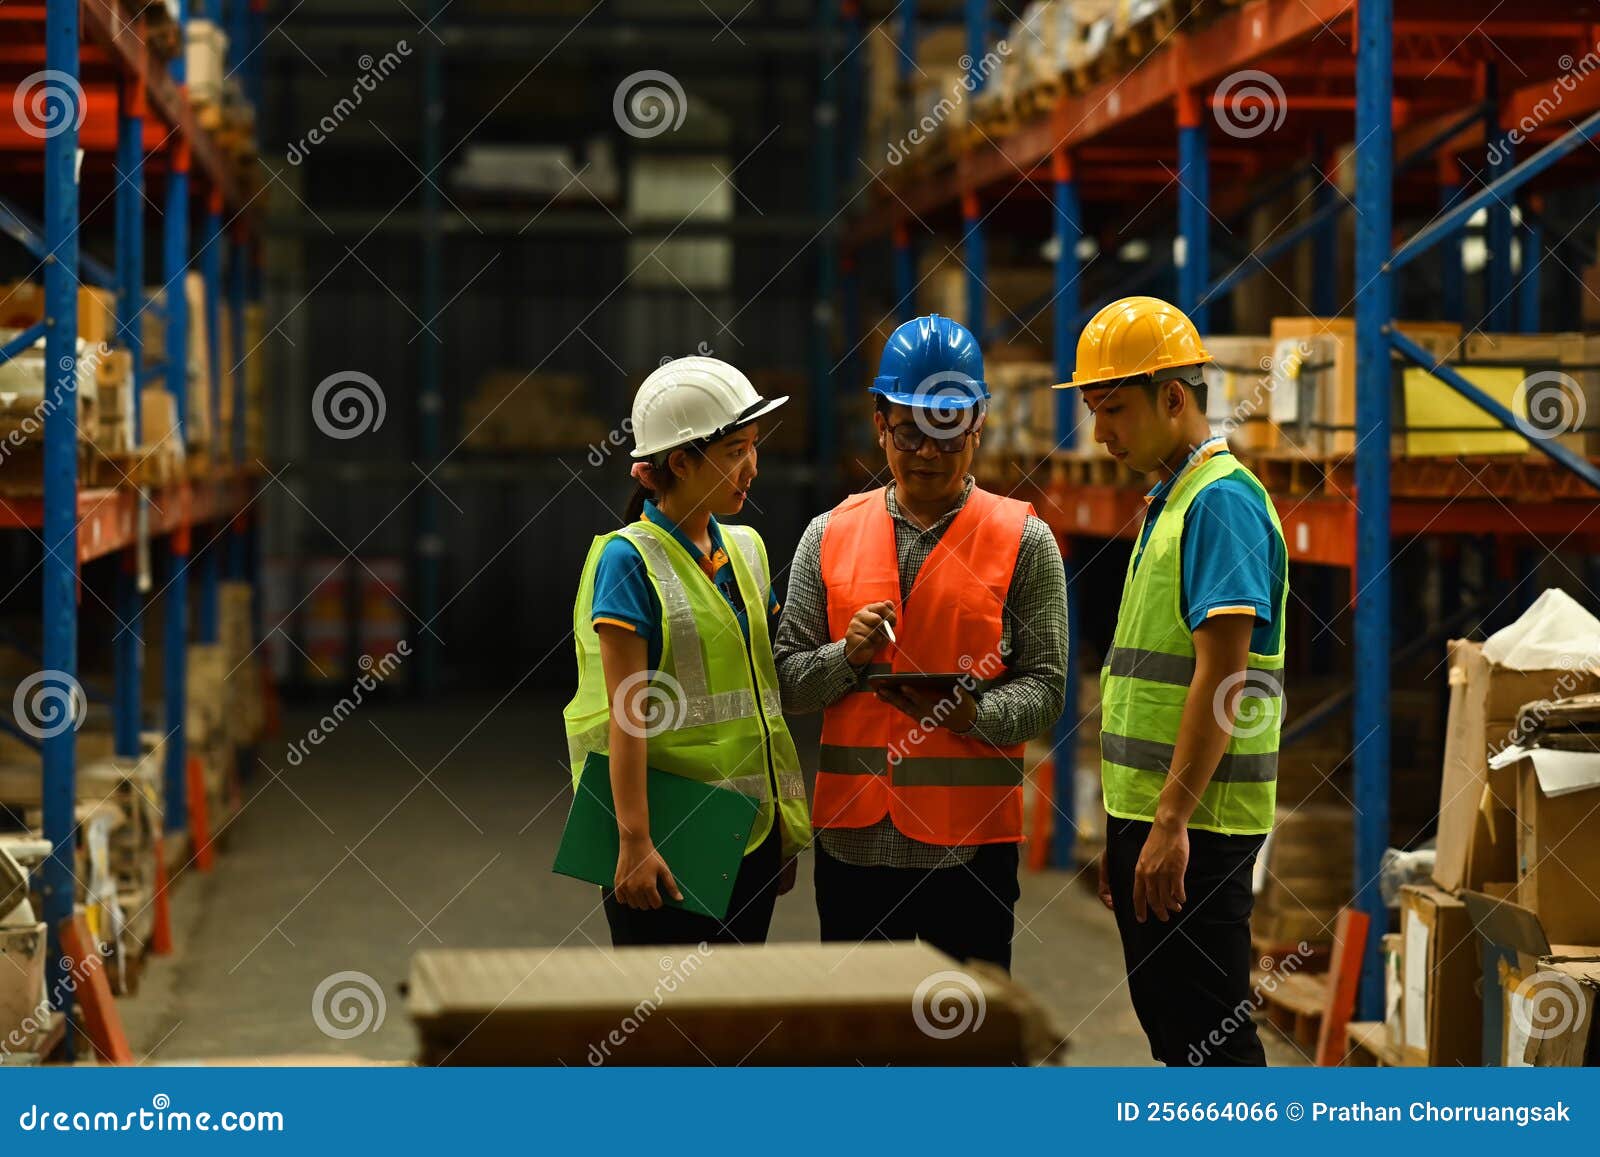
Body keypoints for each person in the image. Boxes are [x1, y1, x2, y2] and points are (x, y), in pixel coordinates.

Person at [774, 314, 1067, 972]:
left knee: (964, 1057)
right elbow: (789, 681)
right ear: (880, 425)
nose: (928, 451)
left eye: (947, 430)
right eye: (910, 430)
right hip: (853, 854)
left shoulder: (1024, 541)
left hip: (970, 858)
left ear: (979, 424)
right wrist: (843, 656)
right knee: (858, 1053)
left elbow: (1046, 689)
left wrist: (978, 714)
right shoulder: (827, 535)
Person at [1057, 296, 1289, 1066]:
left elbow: (1223, 679)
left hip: (1199, 826)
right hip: (1159, 819)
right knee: (1176, 1030)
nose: (1101, 432)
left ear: (1175, 397)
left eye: (1114, 408)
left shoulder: (1220, 504)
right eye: (1093, 410)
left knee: (1209, 1039)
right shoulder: (1173, 501)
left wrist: (1167, 824)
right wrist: (1132, 830)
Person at [563, 356, 811, 947]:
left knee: (733, 1027)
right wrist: (633, 843)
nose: (751, 467)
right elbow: (628, 715)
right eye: (734, 453)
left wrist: (780, 831)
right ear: (680, 462)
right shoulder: (629, 562)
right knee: (667, 1033)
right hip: (670, 847)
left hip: (747, 838)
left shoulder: (746, 549)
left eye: (754, 447)